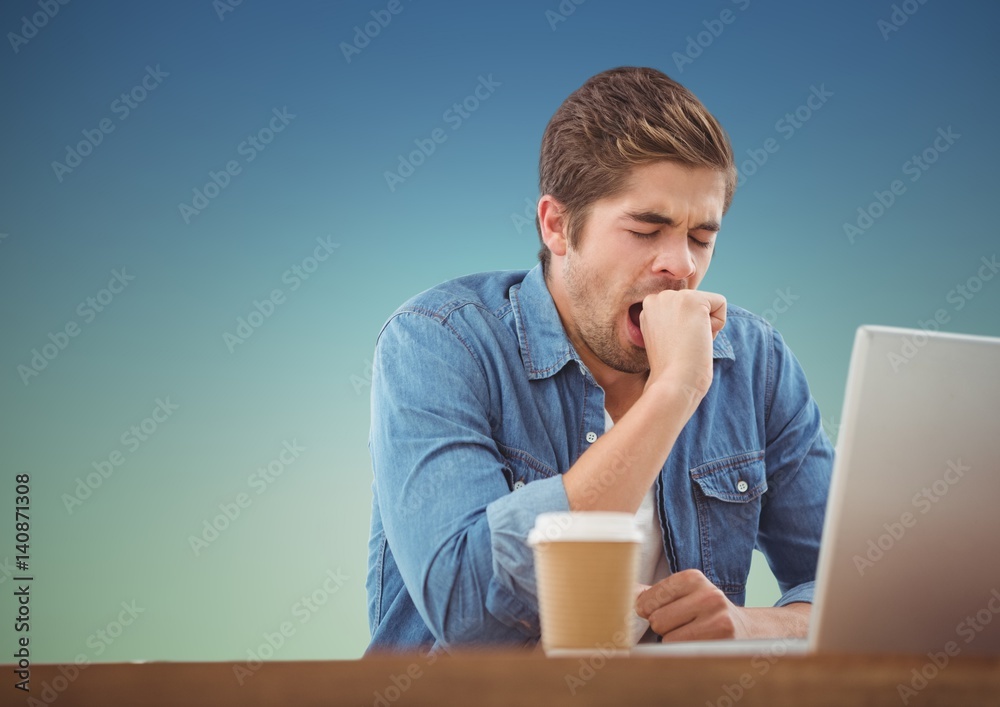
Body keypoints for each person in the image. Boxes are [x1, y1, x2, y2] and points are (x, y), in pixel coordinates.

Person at [365, 66, 833, 652]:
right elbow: (469, 614)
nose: (681, 266)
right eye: (646, 229)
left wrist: (750, 627)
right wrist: (673, 393)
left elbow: (856, 593)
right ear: (558, 226)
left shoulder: (756, 363)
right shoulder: (438, 343)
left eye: (701, 237)